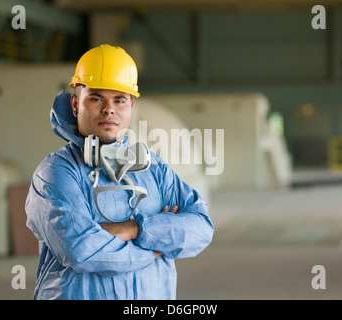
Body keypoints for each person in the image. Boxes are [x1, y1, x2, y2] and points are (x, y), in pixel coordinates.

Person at [25, 44, 214, 300]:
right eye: (96, 98)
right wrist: (157, 247)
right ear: (74, 103)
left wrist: (136, 228)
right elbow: (81, 250)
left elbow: (201, 228)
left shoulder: (154, 168)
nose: (109, 109)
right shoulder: (56, 173)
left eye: (119, 100)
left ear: (131, 106)